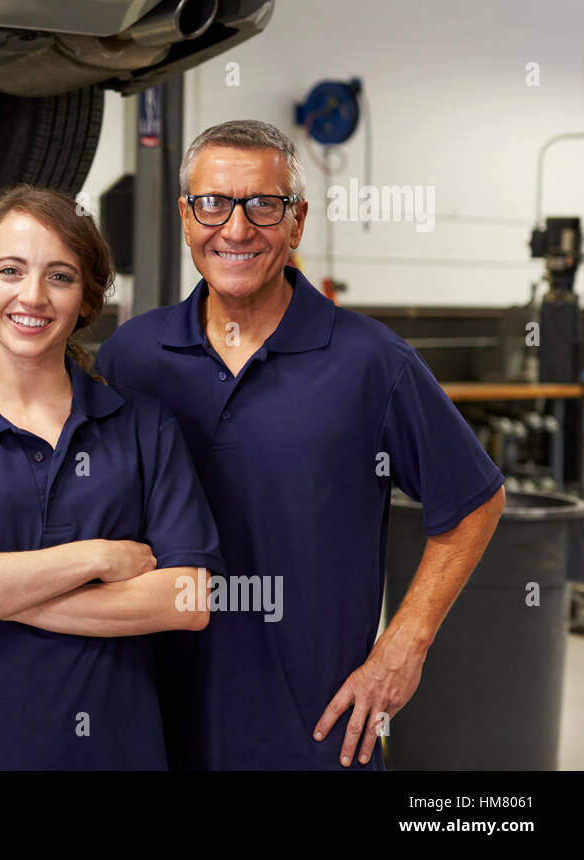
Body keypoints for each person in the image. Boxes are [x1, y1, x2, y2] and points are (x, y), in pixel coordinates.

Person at [96, 119, 505, 770]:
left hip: (315, 733)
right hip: (154, 730)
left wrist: (405, 643)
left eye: (264, 204)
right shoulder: (132, 357)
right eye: (213, 203)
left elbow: (475, 500)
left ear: (298, 221)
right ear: (184, 216)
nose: (235, 229)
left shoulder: (371, 361)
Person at [0, 184, 224, 769]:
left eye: (60, 276)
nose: (32, 296)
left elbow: (187, 600)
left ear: (87, 298)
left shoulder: (142, 428)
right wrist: (96, 559)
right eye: (11, 270)